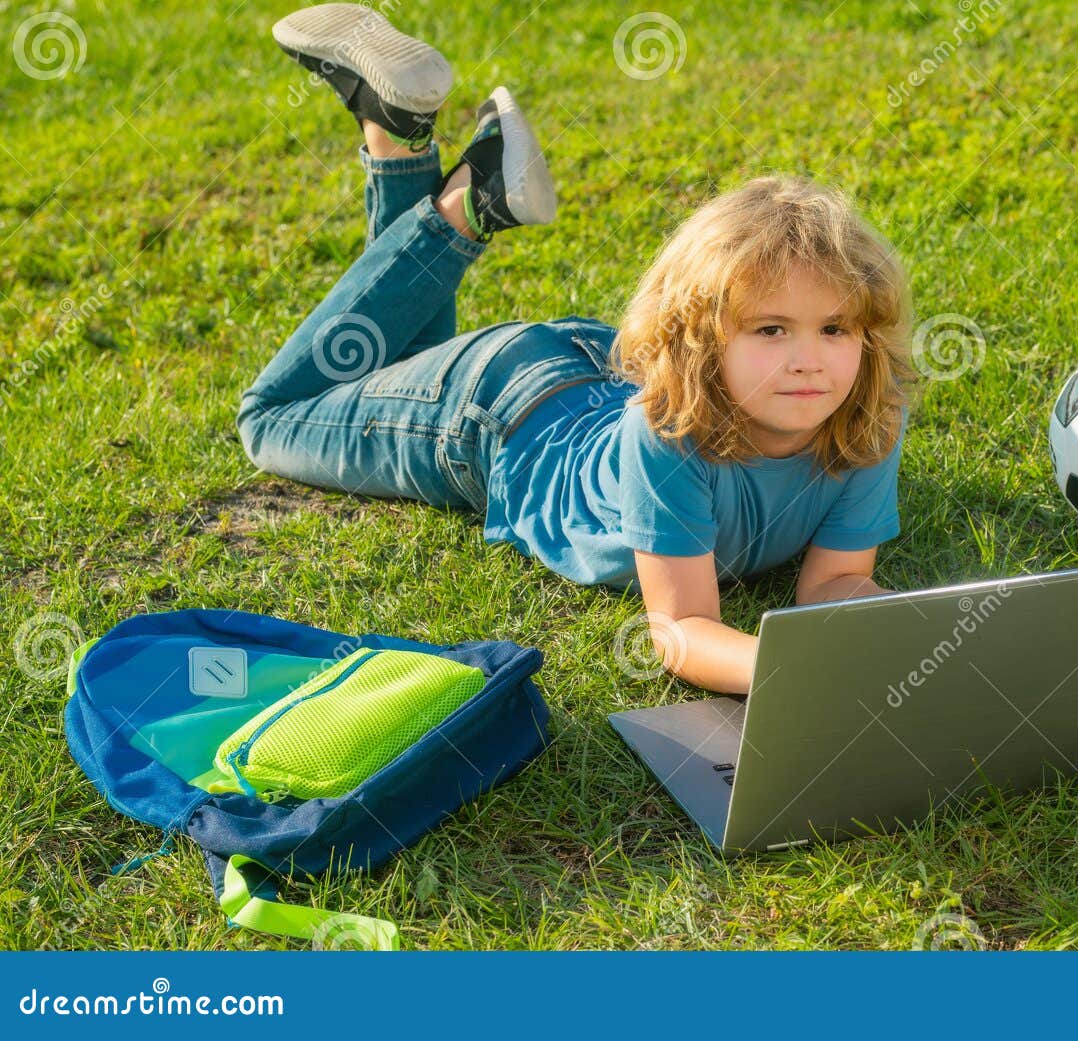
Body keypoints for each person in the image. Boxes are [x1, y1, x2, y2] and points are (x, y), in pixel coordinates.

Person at [238, 4, 919, 695]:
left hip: (598, 371)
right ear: (701, 342)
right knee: (272, 419)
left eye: (835, 330)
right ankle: (469, 206)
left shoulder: (868, 418)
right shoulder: (672, 435)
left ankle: (397, 132)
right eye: (772, 329)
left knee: (381, 368)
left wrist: (889, 638)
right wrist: (796, 672)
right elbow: (682, 626)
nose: (810, 358)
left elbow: (835, 578)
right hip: (492, 411)